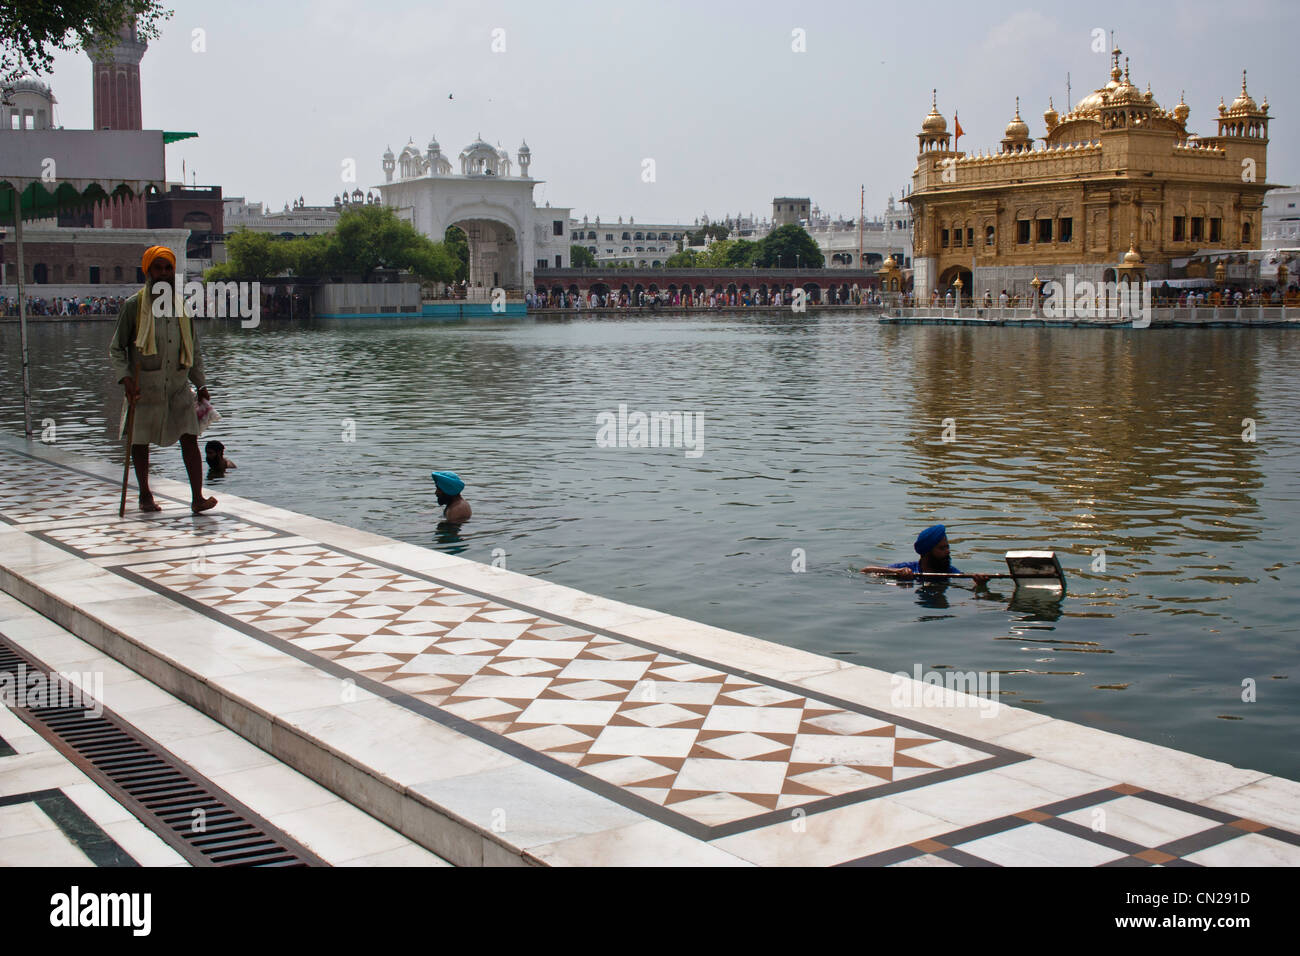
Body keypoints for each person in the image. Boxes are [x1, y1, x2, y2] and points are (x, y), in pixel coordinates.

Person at [108, 246, 217, 514]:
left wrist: (201, 383)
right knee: (140, 440)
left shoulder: (182, 306)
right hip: (145, 385)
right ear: (148, 271)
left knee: (190, 437)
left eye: (168, 268)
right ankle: (145, 495)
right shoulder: (134, 306)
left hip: (178, 385)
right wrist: (125, 379)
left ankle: (197, 498)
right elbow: (117, 348)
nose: (164, 273)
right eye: (158, 268)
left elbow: (194, 348)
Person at [861, 524, 989, 588]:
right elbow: (865, 571)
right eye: (942, 548)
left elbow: (966, 585)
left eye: (947, 547)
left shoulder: (950, 572)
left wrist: (979, 584)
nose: (948, 552)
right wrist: (897, 572)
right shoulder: (910, 568)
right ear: (927, 552)